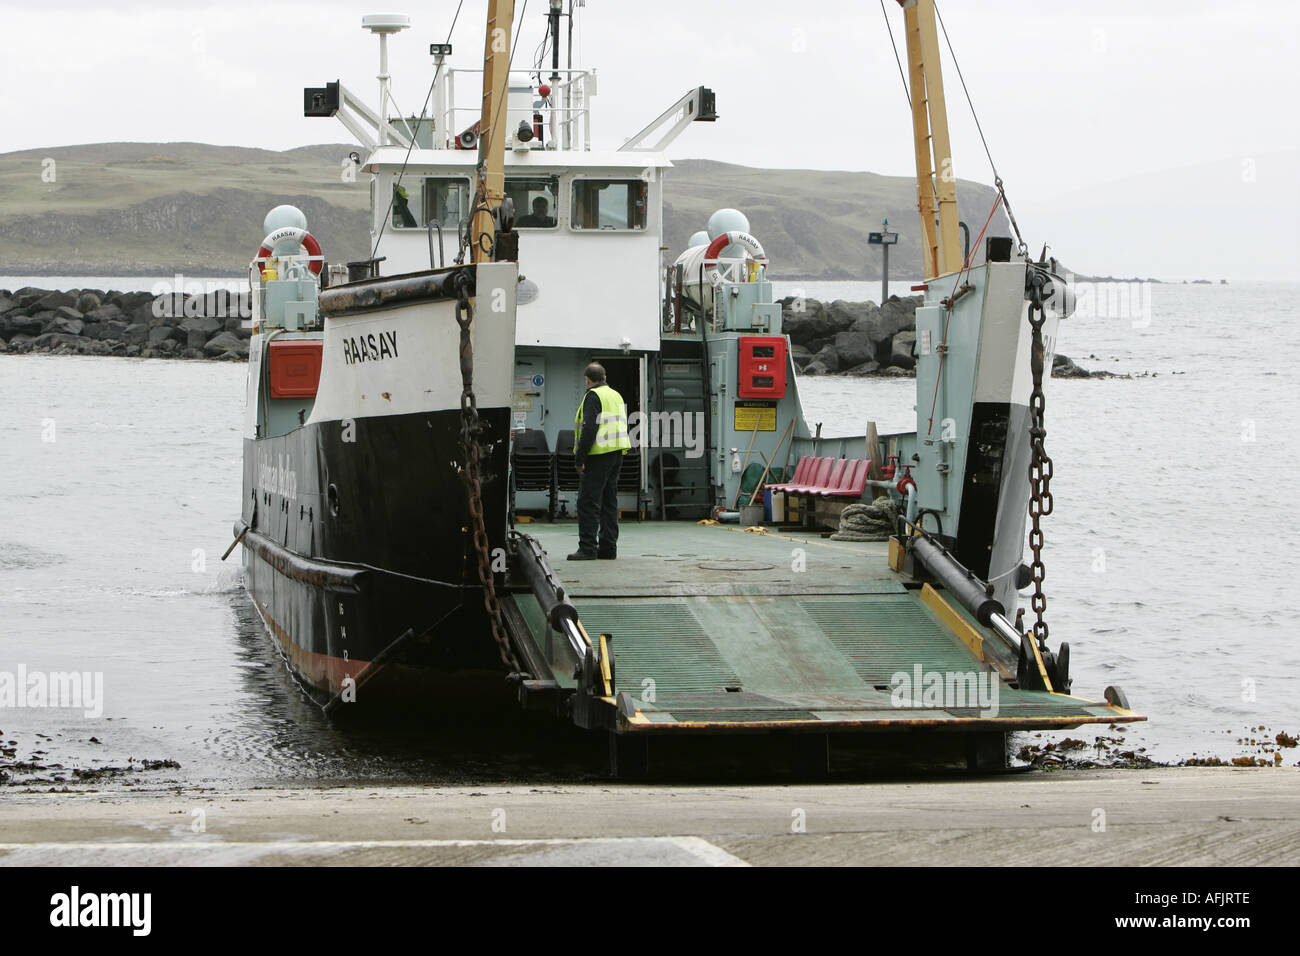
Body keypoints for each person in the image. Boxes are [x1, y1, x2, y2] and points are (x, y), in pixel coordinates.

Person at [568, 362, 630, 560]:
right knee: (609, 501)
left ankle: (587, 548)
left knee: (588, 501)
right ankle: (608, 548)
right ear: (604, 377)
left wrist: (580, 459)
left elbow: (588, 430)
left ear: (587, 380)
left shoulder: (593, 396)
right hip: (617, 453)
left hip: (598, 454)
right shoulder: (615, 395)